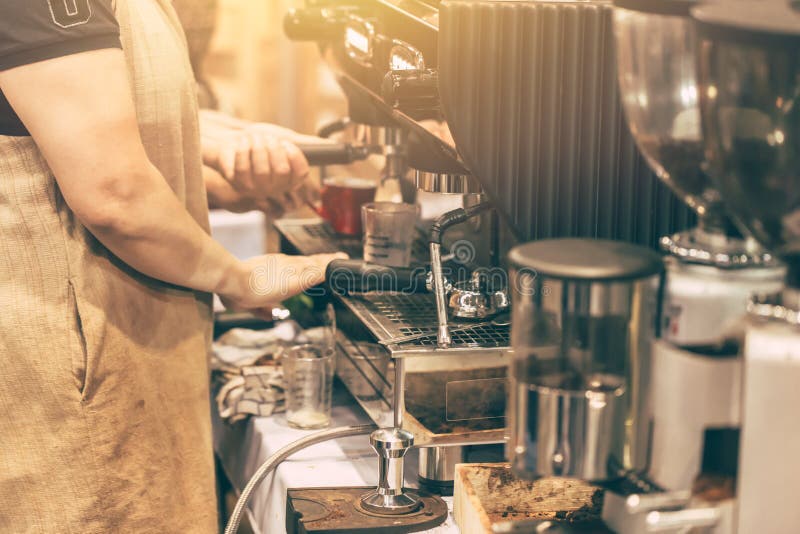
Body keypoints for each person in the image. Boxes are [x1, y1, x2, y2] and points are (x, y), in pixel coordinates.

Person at [0, 0, 343, 531]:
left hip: (136, 350)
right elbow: (114, 193)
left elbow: (64, 146)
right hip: (66, 372)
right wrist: (239, 278)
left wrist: (208, 182)